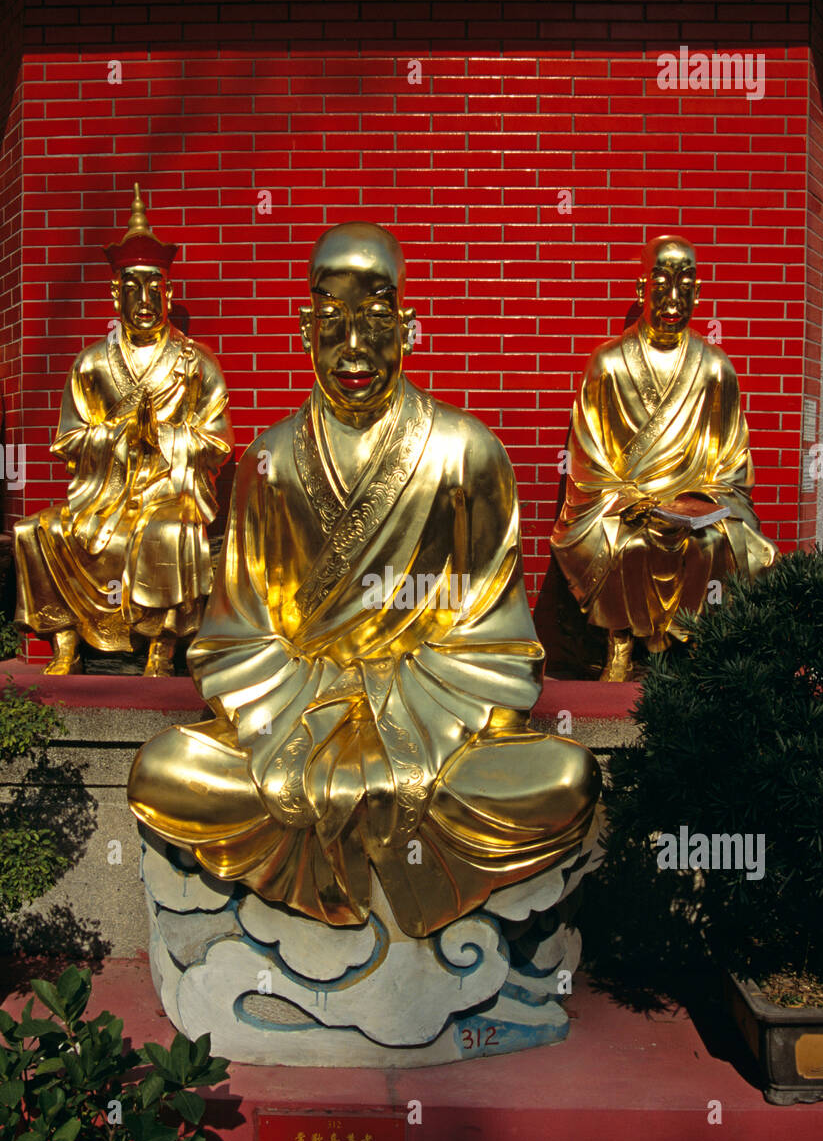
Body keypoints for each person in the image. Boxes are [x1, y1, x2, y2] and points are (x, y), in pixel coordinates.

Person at [128, 221, 601, 938]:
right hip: (292, 713)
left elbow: (495, 640)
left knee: (565, 780)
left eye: (376, 319)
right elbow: (232, 640)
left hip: (436, 721)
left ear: (408, 327)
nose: (354, 348)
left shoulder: (466, 454)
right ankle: (353, 863)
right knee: (164, 771)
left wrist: (398, 722)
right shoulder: (267, 463)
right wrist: (319, 717)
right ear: (303, 328)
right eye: (331, 320)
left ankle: (376, 856)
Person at [14, 185, 233, 676]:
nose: (144, 301)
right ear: (115, 293)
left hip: (165, 489)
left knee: (168, 532)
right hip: (105, 494)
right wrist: (116, 437)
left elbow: (218, 440)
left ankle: (160, 647)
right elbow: (68, 440)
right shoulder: (92, 364)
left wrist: (162, 439)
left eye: (153, 288)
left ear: (169, 291)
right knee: (40, 529)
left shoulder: (195, 364)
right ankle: (66, 640)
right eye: (131, 288)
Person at [549, 234, 778, 681]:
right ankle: (619, 642)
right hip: (623, 502)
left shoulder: (715, 369)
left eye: (685, 285)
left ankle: (692, 641)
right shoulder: (608, 364)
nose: (673, 300)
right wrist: (632, 499)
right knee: (628, 542)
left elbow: (731, 464)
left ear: (698, 292)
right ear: (641, 290)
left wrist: (695, 503)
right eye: (661, 284)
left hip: (694, 504)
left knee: (711, 541)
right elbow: (589, 459)